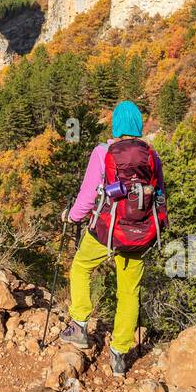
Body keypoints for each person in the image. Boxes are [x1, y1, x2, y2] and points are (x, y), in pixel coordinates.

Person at [59, 100, 166, 376]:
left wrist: (72, 217)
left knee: (81, 267)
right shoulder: (153, 157)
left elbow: (86, 196)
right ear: (139, 126)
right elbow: (160, 196)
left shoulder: (103, 152)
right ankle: (119, 354)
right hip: (140, 234)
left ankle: (79, 326)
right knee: (129, 292)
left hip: (106, 231)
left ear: (116, 126)